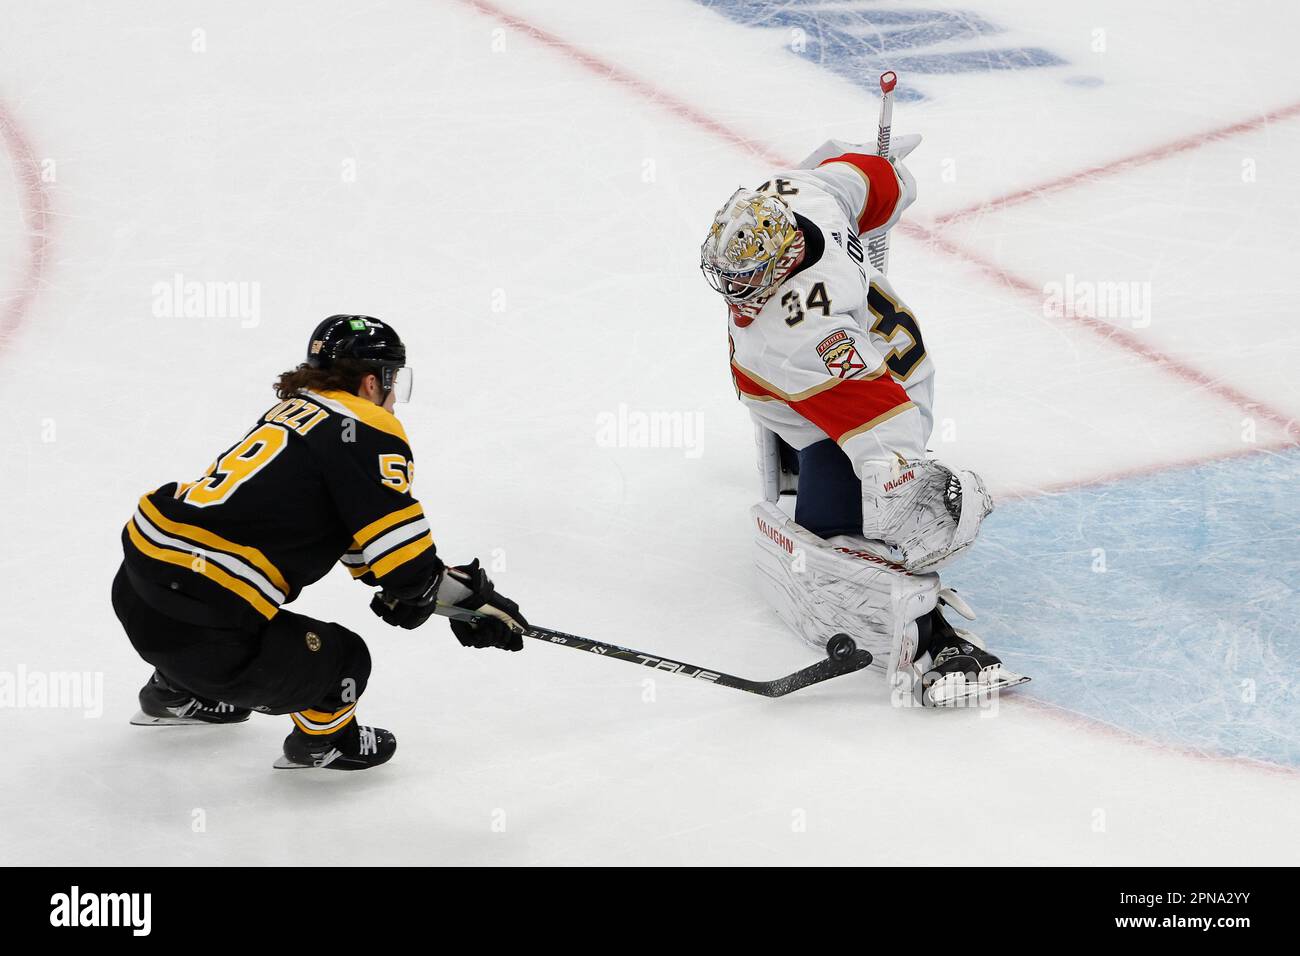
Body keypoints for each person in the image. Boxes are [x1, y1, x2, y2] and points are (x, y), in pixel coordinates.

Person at [110, 315, 527, 769]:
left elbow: (363, 547)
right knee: (345, 661)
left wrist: (450, 596)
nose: (393, 399)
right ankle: (325, 743)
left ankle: (175, 691)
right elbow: (403, 567)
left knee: (208, 602)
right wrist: (461, 601)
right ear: (372, 381)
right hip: (205, 625)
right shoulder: (368, 427)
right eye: (393, 382)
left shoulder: (293, 411)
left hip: (136, 588)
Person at [698, 138, 1027, 706]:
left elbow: (883, 425)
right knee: (809, 427)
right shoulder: (801, 198)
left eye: (750, 282)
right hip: (845, 379)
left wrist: (906, 496)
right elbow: (862, 178)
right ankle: (801, 449)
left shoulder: (800, 338)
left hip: (866, 402)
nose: (736, 294)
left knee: (847, 528)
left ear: (781, 264)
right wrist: (891, 177)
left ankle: (934, 641)